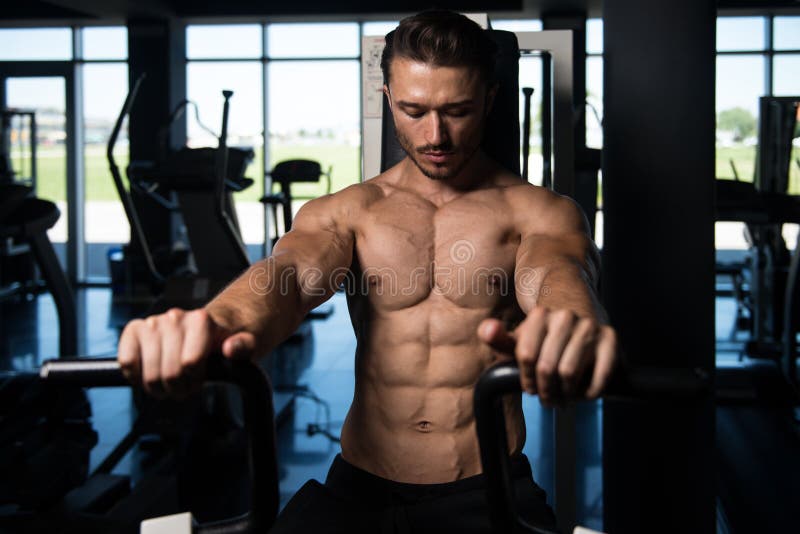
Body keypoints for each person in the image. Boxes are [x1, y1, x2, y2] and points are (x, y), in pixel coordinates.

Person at [118, 10, 617, 533]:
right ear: (388, 98)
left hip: (488, 489)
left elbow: (558, 276)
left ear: (490, 99)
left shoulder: (539, 213)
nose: (436, 135)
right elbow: (288, 277)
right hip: (359, 489)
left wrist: (570, 322)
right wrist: (214, 325)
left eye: (458, 111)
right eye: (413, 110)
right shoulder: (350, 211)